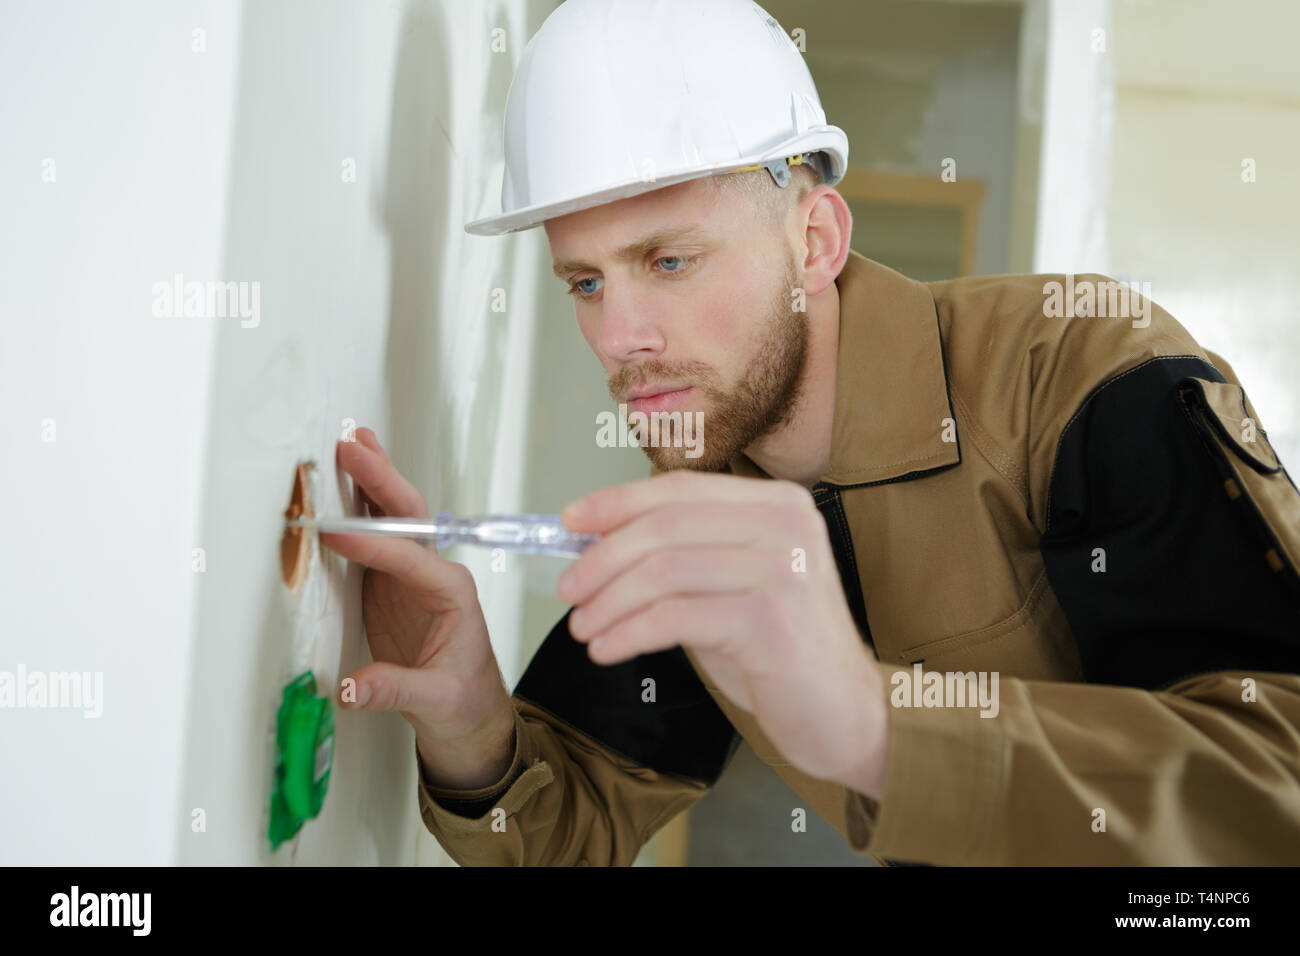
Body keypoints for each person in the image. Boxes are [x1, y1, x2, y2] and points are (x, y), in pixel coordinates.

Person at [319, 0, 1300, 865]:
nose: (619, 341)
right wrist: (471, 723)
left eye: (667, 261)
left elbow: (1279, 787)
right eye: (585, 281)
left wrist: (877, 726)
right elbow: (561, 834)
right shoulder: (700, 491)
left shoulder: (1079, 373)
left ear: (816, 241)